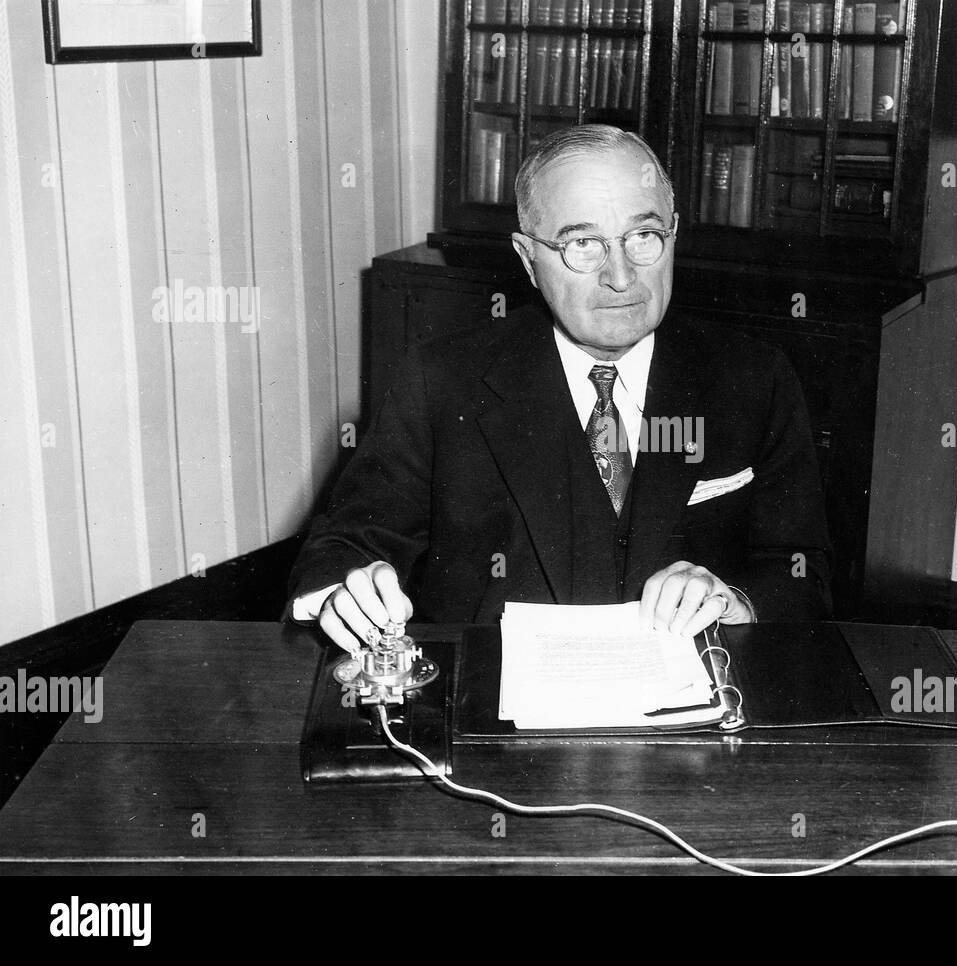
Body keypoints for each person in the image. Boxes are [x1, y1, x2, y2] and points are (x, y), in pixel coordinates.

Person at [287, 124, 831, 654]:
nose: (621, 276)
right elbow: (348, 545)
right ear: (528, 260)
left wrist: (735, 602)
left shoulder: (753, 377)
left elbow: (801, 571)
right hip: (493, 708)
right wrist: (343, 595)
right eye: (583, 245)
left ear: (673, 236)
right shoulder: (440, 381)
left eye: (643, 237)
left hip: (691, 709)